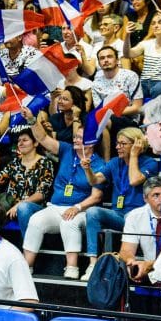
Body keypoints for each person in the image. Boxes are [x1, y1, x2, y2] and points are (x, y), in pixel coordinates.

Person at [22, 108, 105, 278]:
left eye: (80, 138)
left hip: (82, 210)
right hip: (55, 207)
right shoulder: (67, 150)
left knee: (69, 222)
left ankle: (72, 268)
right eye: (75, 136)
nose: (75, 139)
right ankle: (26, 267)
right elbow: (43, 138)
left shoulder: (99, 163)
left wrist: (77, 207)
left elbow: (97, 196)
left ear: (91, 142)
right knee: (36, 220)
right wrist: (31, 119)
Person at [81, 128, 158, 280]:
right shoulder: (115, 162)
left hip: (138, 217)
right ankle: (93, 264)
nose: (117, 147)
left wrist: (134, 155)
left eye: (123, 144)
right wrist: (88, 169)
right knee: (92, 212)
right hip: (118, 215)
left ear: (136, 143)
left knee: (131, 216)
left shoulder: (150, 163)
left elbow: (134, 180)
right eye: (117, 143)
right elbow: (94, 181)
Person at [119, 177, 161, 282]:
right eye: (156, 195)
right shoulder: (135, 216)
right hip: (147, 273)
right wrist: (131, 262)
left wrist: (149, 265)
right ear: (145, 198)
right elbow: (126, 250)